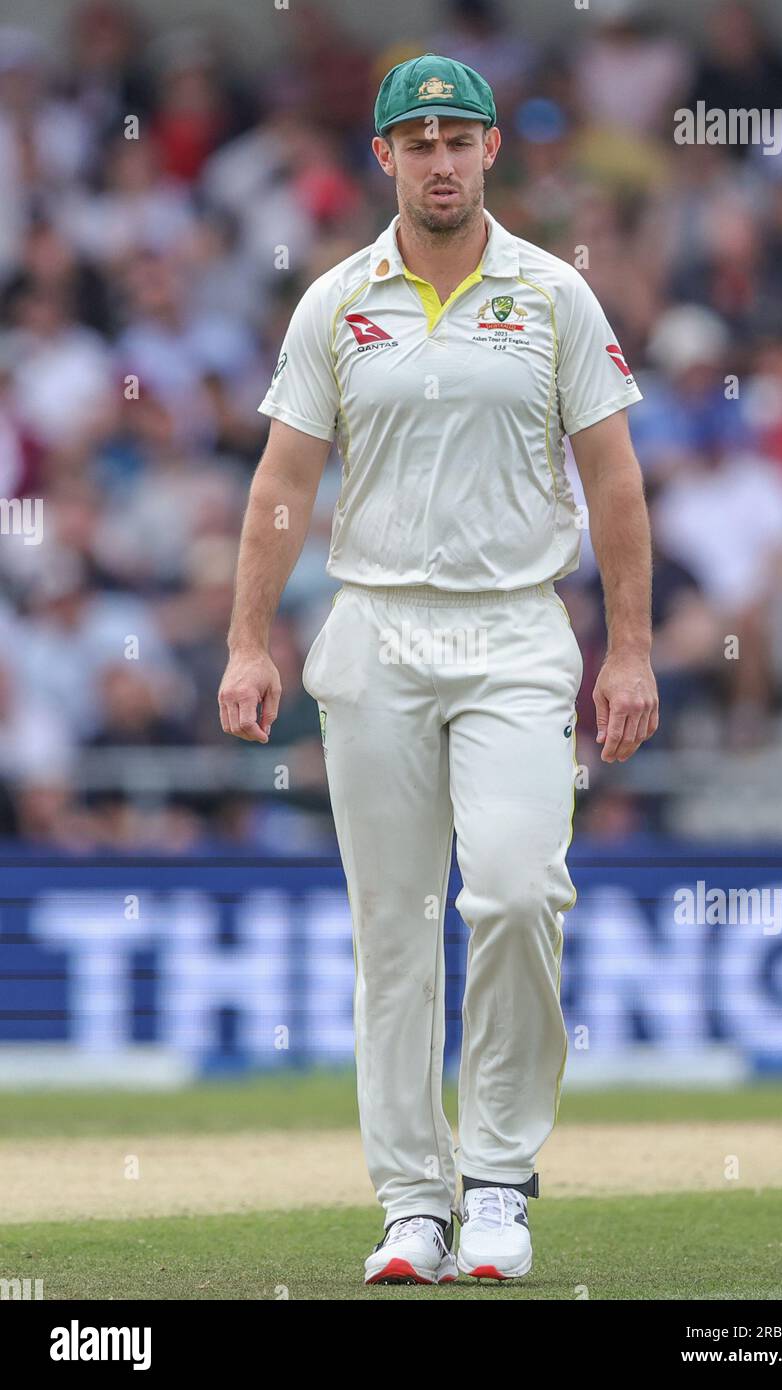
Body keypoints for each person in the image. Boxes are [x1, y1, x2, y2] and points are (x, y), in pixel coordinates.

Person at [218, 53, 657, 1285]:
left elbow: (613, 479)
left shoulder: (554, 291)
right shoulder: (334, 301)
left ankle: (500, 1178)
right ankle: (414, 1202)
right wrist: (250, 639)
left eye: (459, 139)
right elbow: (283, 486)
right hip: (377, 631)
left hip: (516, 629)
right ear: (384, 159)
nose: (441, 161)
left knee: (517, 891)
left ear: (490, 152)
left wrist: (626, 650)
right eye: (417, 143)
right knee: (393, 933)